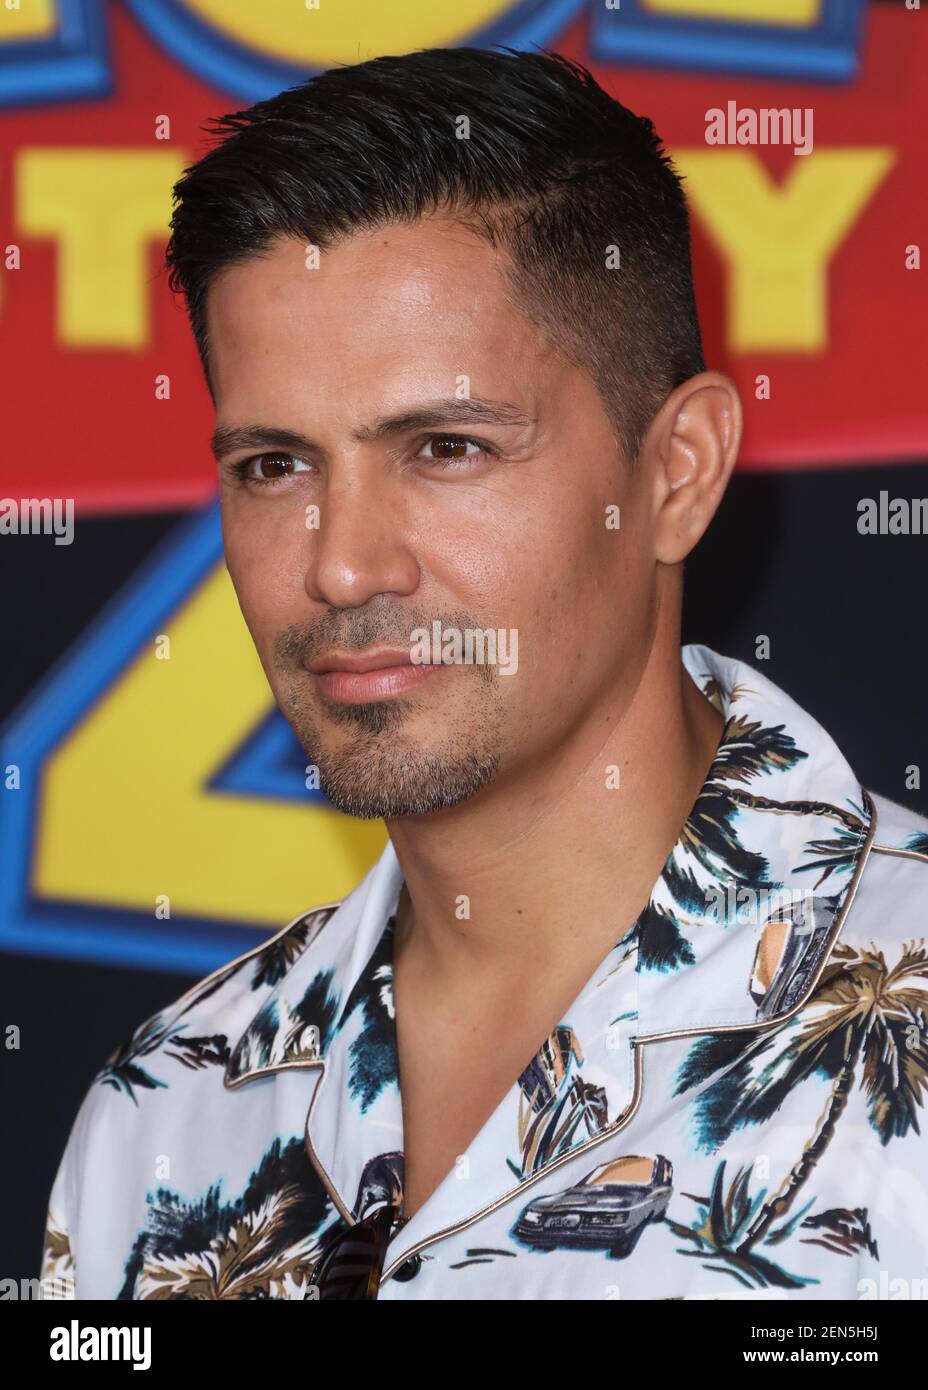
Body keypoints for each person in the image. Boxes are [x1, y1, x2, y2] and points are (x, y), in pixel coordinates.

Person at [40, 46, 928, 1301]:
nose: (342, 567)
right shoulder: (166, 1105)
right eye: (274, 466)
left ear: (674, 471)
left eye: (445, 446)